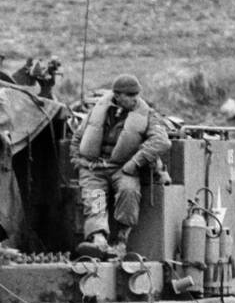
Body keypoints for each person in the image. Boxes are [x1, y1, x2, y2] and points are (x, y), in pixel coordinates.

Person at [69, 74, 171, 259]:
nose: (135, 99)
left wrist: (135, 162)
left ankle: (121, 241)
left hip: (123, 167)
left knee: (129, 192)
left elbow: (162, 141)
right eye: (129, 95)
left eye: (136, 95)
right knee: (95, 197)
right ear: (117, 95)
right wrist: (78, 160)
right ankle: (98, 240)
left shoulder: (147, 114)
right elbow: (78, 137)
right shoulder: (98, 110)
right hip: (94, 167)